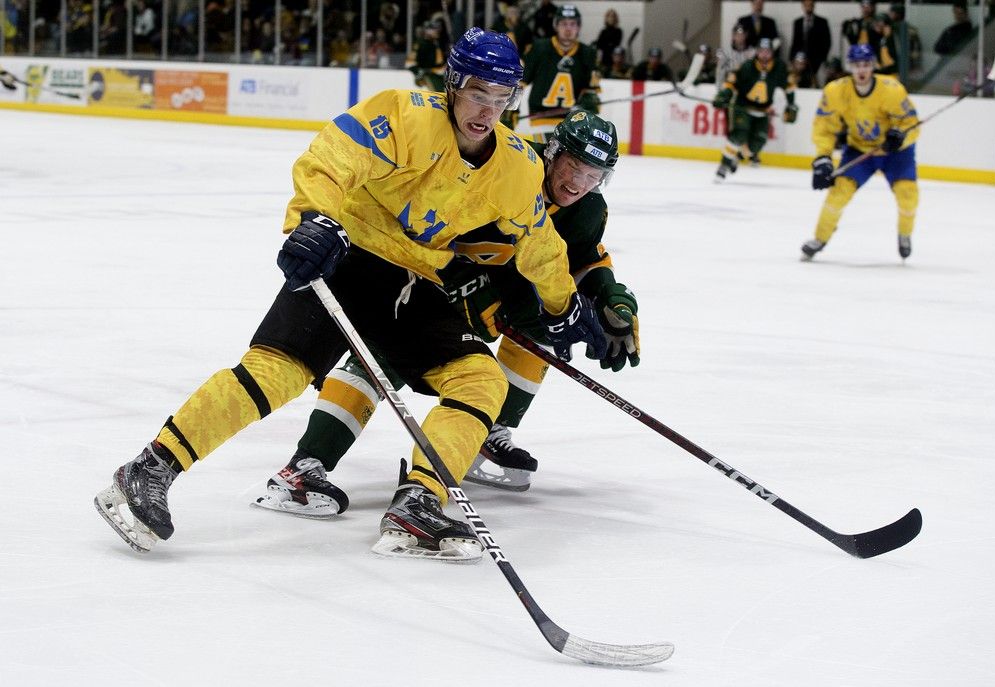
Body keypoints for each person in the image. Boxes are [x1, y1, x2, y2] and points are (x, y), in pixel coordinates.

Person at [93, 28, 608, 562]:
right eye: (479, 93)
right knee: (278, 371)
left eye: (501, 98)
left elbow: (539, 244)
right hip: (349, 254)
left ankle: (418, 504)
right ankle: (150, 468)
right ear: (454, 84)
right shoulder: (404, 114)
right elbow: (332, 158)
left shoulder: (517, 166)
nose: (488, 110)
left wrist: (563, 304)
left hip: (415, 283)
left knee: (479, 380)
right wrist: (313, 218)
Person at [252, 111, 636, 505]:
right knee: (381, 358)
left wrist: (613, 299)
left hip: (496, 289)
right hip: (424, 275)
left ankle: (485, 433)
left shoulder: (589, 208)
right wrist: (463, 286)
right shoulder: (508, 166)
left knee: (547, 325)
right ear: (552, 153)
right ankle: (306, 463)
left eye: (593, 175)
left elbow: (584, 258)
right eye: (573, 166)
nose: (578, 183)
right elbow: (430, 221)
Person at [801, 43, 919, 261]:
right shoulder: (836, 91)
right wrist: (823, 158)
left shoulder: (892, 89)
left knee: (908, 194)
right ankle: (820, 238)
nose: (861, 70)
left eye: (866, 65)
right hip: (860, 150)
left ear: (873, 66)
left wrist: (900, 136)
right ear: (850, 67)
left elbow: (911, 123)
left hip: (895, 153)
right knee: (838, 193)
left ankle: (905, 234)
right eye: (856, 65)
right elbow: (824, 127)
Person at [712, 37, 797, 181]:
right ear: (757, 52)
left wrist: (791, 105)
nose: (764, 55)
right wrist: (723, 96)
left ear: (772, 53)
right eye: (761, 51)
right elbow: (731, 82)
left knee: (758, 143)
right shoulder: (747, 67)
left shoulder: (779, 68)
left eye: (767, 52)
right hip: (743, 106)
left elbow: (789, 87)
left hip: (763, 111)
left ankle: (738, 156)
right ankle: (724, 165)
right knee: (739, 134)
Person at [521, 4, 601, 134]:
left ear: (578, 27)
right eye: (564, 24)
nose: (568, 28)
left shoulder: (588, 53)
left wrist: (589, 102)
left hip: (572, 123)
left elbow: (591, 91)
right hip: (540, 120)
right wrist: (511, 108)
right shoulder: (539, 48)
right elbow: (520, 82)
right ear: (556, 25)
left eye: (573, 24)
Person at [790, 0, 831, 85]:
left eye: (810, 5)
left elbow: (827, 42)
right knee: (798, 81)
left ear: (814, 6)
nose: (808, 7)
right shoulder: (798, 22)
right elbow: (795, 42)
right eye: (806, 5)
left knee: (819, 82)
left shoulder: (822, 22)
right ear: (803, 6)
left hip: (817, 60)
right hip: (801, 59)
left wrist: (821, 58)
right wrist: (792, 58)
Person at [406, 20, 446, 91]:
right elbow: (410, 63)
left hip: (440, 76)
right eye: (434, 29)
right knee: (438, 95)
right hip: (430, 76)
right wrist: (419, 72)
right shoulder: (420, 44)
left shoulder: (437, 43)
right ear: (427, 30)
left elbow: (440, 62)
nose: (437, 31)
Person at [872, 13, 899, 78]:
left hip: (893, 73)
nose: (875, 26)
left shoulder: (893, 37)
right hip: (883, 72)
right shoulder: (880, 38)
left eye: (878, 23)